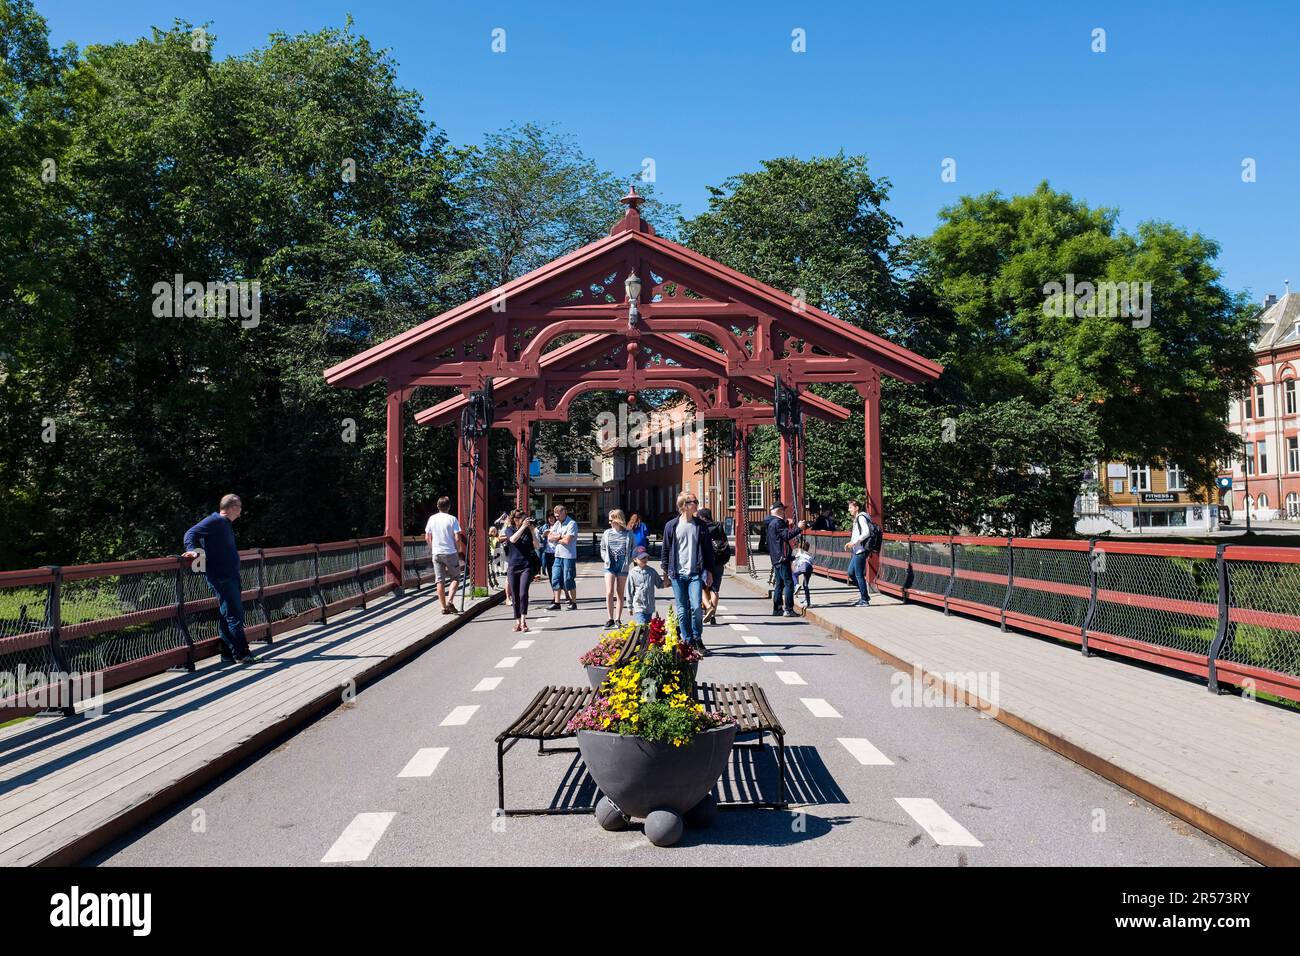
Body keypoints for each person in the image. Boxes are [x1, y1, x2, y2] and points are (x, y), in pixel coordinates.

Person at [182, 494, 258, 664]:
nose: (241, 511)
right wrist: (192, 549)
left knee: (226, 615)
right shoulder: (215, 521)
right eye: (239, 507)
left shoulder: (225, 524)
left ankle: (227, 654)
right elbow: (190, 533)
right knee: (235, 615)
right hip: (221, 576)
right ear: (232, 507)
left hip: (229, 575)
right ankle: (242, 653)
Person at [660, 491, 715, 653]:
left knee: (696, 608)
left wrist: (710, 572)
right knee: (682, 610)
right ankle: (687, 640)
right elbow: (665, 550)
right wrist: (665, 573)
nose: (697, 504)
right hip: (677, 574)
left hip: (695, 573)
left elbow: (707, 551)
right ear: (685, 505)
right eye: (694, 502)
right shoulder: (671, 526)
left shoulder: (700, 525)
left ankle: (697, 638)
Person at [765, 501, 808, 617]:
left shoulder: (771, 522)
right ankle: (788, 609)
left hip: (775, 557)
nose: (785, 512)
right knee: (788, 583)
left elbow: (779, 536)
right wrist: (799, 528)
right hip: (782, 558)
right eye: (783, 509)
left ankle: (777, 609)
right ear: (779, 510)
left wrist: (786, 524)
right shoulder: (778, 523)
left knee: (779, 584)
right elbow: (786, 536)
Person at [424, 496, 465, 614]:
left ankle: (443, 607)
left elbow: (427, 536)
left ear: (438, 506)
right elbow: (457, 537)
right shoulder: (452, 519)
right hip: (450, 552)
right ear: (449, 506)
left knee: (439, 580)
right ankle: (450, 601)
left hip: (436, 553)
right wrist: (457, 549)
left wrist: (433, 548)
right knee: (456, 577)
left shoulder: (432, 518)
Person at [503, 510, 541, 631]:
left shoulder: (527, 531)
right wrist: (523, 527)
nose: (524, 520)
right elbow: (513, 539)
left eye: (525, 518)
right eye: (521, 518)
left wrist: (531, 531)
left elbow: (537, 546)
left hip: (526, 566)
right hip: (513, 566)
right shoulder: (509, 530)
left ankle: (524, 621)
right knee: (514, 595)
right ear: (515, 519)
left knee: (523, 593)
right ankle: (517, 621)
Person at [600, 509, 635, 627]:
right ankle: (609, 618)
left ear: (618, 520)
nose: (610, 523)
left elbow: (633, 549)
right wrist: (605, 558)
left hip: (623, 564)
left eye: (611, 520)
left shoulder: (628, 534)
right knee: (609, 591)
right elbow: (603, 548)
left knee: (620, 592)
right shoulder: (607, 533)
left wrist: (629, 561)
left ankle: (617, 619)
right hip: (610, 564)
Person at [697, 507, 730, 626]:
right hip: (719, 562)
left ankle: (708, 606)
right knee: (714, 589)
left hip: (706, 562)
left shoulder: (702, 528)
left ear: (702, 517)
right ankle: (713, 616)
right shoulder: (719, 527)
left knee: (702, 587)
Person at [546, 503, 579, 610]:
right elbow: (549, 537)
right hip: (558, 555)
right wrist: (560, 537)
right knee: (555, 578)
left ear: (564, 512)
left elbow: (568, 540)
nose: (556, 517)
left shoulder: (571, 524)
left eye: (558, 515)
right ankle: (557, 603)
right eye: (555, 516)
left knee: (568, 579)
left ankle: (573, 602)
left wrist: (557, 538)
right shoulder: (557, 524)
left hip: (568, 556)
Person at [626, 546, 658, 625]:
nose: (644, 560)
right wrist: (629, 606)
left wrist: (671, 582)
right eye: (641, 558)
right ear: (635, 560)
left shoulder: (652, 571)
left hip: (650, 606)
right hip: (639, 605)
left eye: (646, 557)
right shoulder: (632, 573)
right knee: (641, 626)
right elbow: (629, 590)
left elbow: (660, 584)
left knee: (648, 628)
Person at [540, 507, 558, 582]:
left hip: (557, 552)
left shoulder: (559, 526)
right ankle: (554, 591)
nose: (551, 519)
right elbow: (539, 539)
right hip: (547, 552)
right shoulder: (545, 527)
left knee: (557, 573)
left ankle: (560, 589)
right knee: (550, 573)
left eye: (552, 518)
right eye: (549, 518)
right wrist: (543, 535)